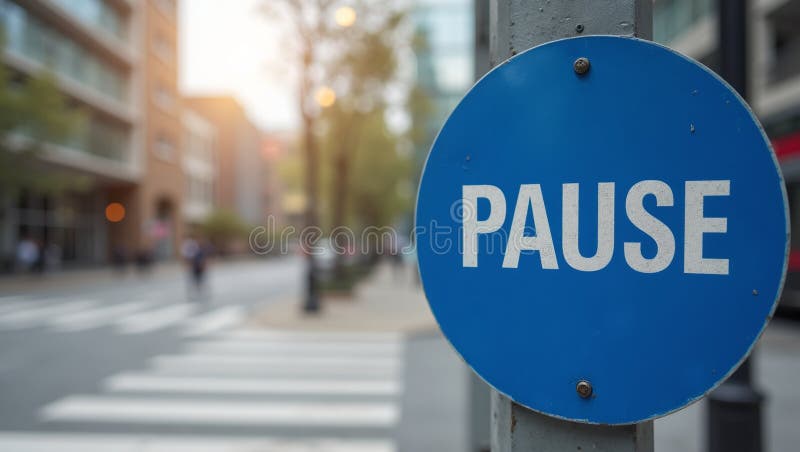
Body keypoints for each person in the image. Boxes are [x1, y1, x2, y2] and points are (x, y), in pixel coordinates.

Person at [181, 235, 208, 300]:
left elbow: (204, 259)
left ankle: (199, 291)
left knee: (199, 280)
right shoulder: (190, 247)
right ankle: (192, 294)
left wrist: (203, 265)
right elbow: (187, 257)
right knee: (191, 280)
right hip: (194, 267)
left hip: (199, 268)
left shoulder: (200, 249)